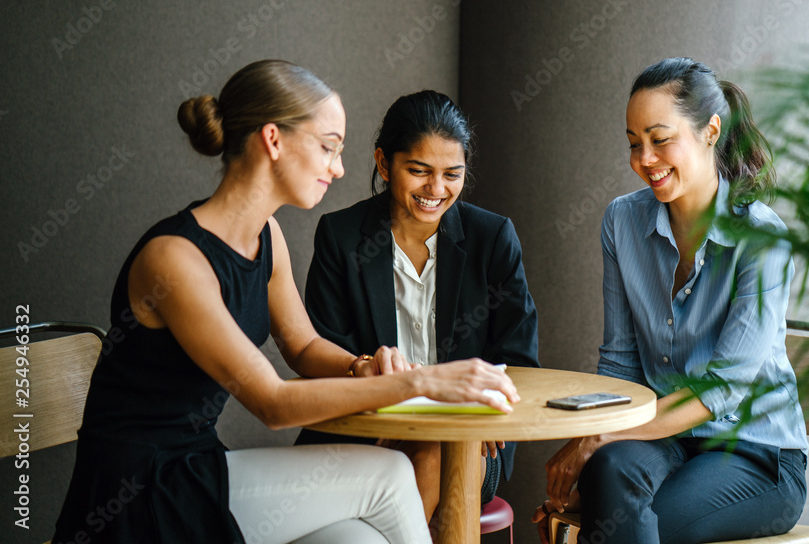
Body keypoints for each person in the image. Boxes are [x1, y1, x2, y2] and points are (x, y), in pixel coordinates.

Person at [52, 61, 519, 544]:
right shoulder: (173, 260)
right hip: (141, 492)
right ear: (273, 140)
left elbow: (302, 345)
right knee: (389, 478)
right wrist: (424, 381)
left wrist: (363, 365)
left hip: (200, 464)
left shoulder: (266, 236)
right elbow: (272, 404)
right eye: (328, 147)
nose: (338, 168)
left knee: (356, 541)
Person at [532, 58, 808, 543]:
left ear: (710, 131)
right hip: (664, 438)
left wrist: (598, 440)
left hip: (756, 453)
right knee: (608, 475)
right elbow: (620, 362)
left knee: (636, 521)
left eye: (660, 139)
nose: (645, 159)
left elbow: (725, 387)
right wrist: (586, 447)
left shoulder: (762, 238)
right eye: (634, 143)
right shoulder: (622, 221)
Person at [296, 90, 540, 520]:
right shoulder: (341, 235)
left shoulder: (493, 238)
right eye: (419, 171)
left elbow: (518, 357)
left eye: (452, 174)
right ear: (383, 163)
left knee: (428, 451)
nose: (436, 189)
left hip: (473, 437)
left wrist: (484, 417)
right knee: (412, 454)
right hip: (365, 429)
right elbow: (321, 351)